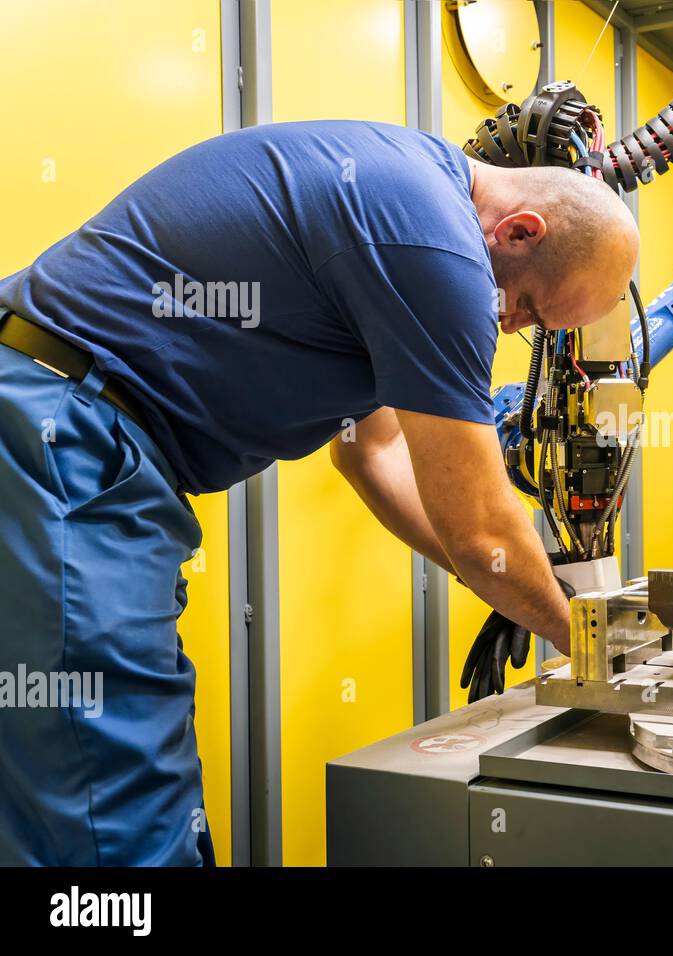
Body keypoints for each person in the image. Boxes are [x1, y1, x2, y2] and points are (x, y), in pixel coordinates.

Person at [0, 118, 640, 865]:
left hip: (55, 428)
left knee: (49, 770)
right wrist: (586, 647)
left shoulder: (397, 195)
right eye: (528, 306)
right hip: (67, 441)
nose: (508, 324)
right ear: (521, 232)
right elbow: (484, 532)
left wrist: (507, 588)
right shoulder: (435, 247)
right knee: (110, 789)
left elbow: (372, 454)